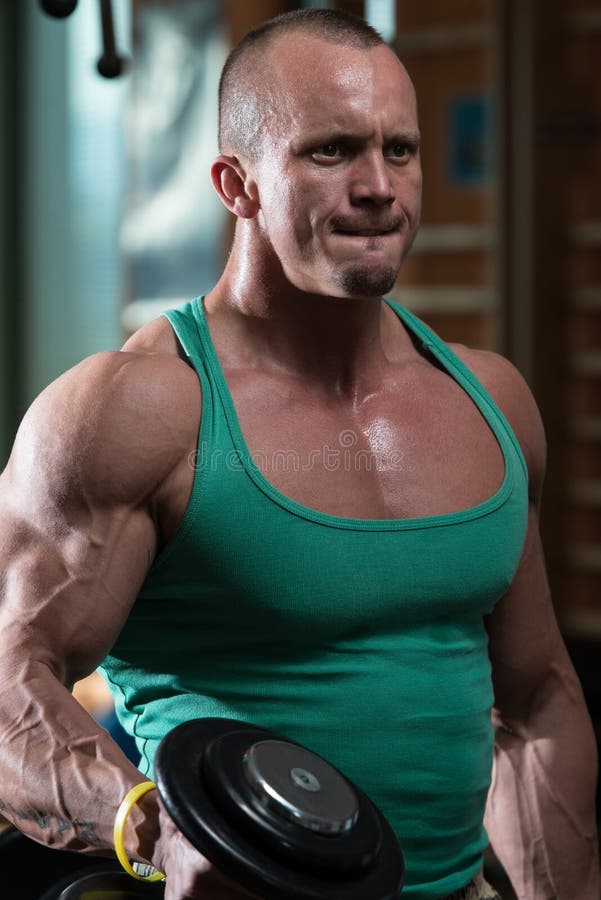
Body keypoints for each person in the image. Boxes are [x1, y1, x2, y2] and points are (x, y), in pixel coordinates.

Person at [0, 8, 598, 900]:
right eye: (330, 151)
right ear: (235, 185)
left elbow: (539, 695)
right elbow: (8, 678)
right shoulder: (137, 411)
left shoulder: (491, 401)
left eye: (399, 150)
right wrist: (149, 828)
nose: (377, 186)